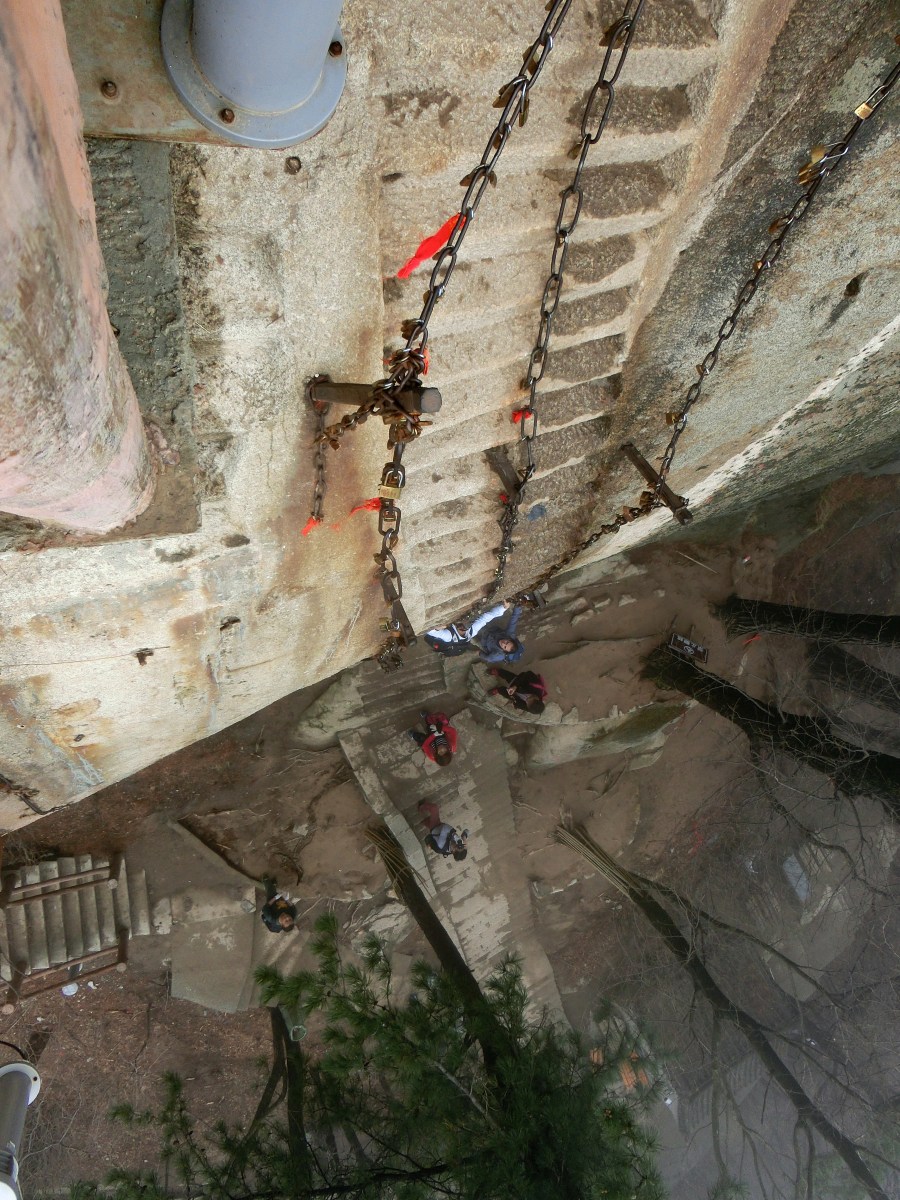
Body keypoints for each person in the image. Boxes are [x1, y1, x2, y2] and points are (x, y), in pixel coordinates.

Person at [425, 600, 525, 664]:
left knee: (474, 641)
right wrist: (504, 608)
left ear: (503, 650)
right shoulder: (472, 631)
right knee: (479, 624)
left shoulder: (448, 636)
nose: (504, 643)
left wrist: (439, 628)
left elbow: (430, 631)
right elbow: (485, 618)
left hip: (484, 643)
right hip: (489, 633)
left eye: (504, 647)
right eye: (507, 642)